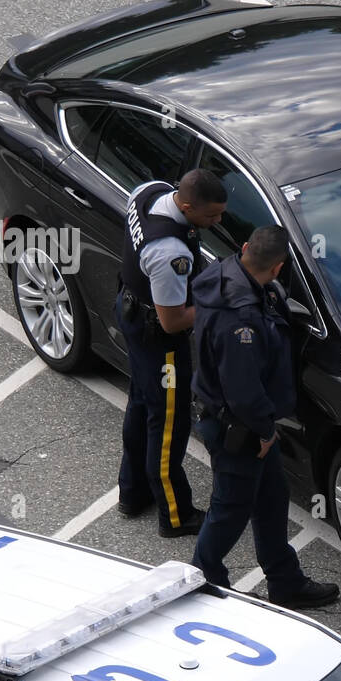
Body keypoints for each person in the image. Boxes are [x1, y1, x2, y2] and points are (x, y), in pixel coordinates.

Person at [189, 225, 339, 609]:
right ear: (278, 267)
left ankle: (285, 582)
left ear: (244, 249)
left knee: (272, 498)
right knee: (230, 510)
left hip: (245, 423)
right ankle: (204, 585)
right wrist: (264, 431)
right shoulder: (239, 318)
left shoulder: (227, 275)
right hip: (240, 428)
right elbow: (242, 388)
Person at [117, 168, 227, 537]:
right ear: (185, 205)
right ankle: (175, 515)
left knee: (141, 404)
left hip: (131, 309)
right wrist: (219, 305)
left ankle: (132, 493)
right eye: (211, 216)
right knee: (167, 426)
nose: (218, 221)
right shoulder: (169, 253)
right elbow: (173, 321)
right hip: (159, 341)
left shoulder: (149, 192)